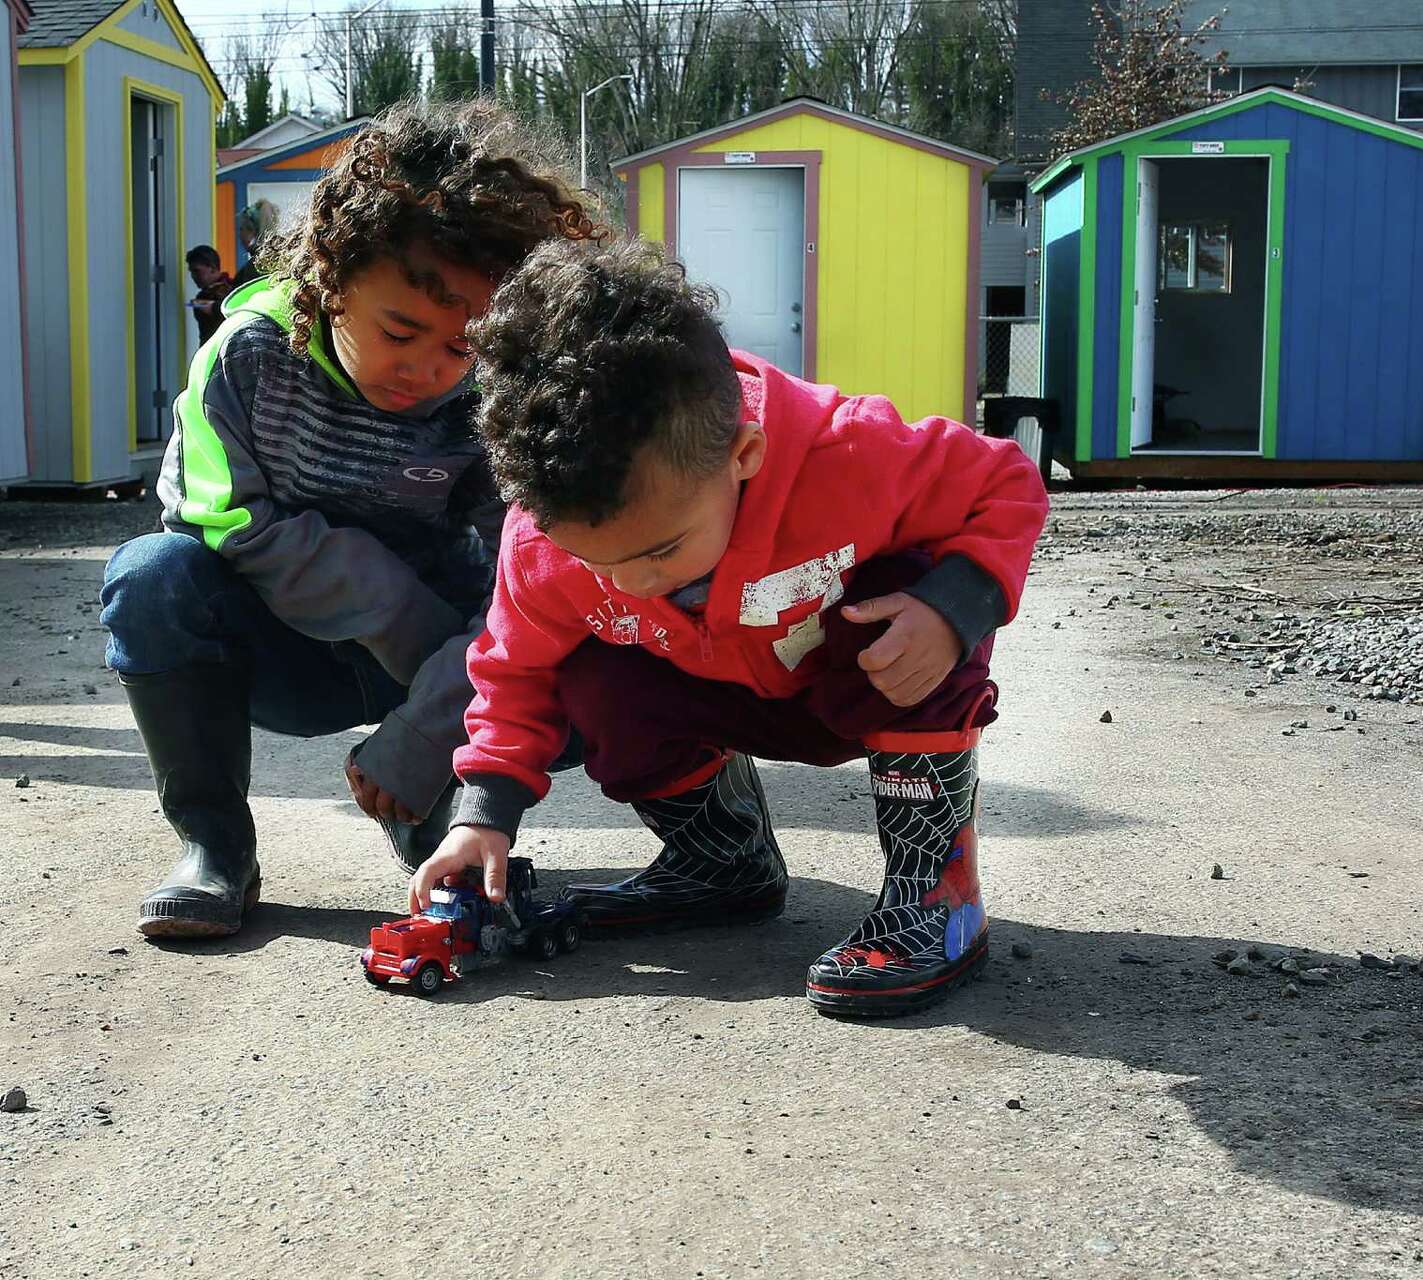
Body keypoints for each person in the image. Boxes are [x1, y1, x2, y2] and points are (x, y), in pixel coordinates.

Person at [410, 238, 1048, 1017]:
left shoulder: (851, 454)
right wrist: (483, 814)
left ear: (744, 454)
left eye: (660, 551)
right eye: (600, 563)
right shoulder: (542, 543)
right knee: (586, 670)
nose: (633, 582)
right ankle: (723, 863)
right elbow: (516, 671)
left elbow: (1003, 482)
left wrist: (956, 610)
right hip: (720, 694)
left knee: (909, 591)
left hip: (871, 683)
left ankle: (938, 896)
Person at [99, 102, 602, 940]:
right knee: (150, 576)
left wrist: (434, 721)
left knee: (599, 641)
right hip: (286, 655)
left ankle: (430, 816)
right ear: (330, 276)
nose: (427, 370)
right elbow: (221, 521)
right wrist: (395, 613)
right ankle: (215, 847)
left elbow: (527, 580)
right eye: (400, 330)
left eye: (462, 346)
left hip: (438, 654)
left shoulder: (494, 392)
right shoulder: (249, 353)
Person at [186, 245, 234, 346]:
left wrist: (214, 308)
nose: (193, 277)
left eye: (196, 271)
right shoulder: (203, 296)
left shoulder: (233, 289)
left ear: (212, 268)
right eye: (191, 272)